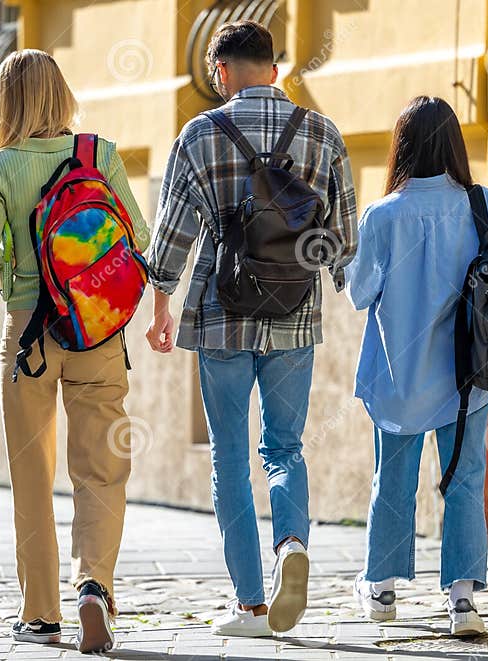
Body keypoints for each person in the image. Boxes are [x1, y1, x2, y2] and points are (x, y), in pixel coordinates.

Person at [145, 20, 357, 637]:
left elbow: (173, 234)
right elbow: (342, 240)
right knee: (285, 448)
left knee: (230, 458)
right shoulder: (322, 133)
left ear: (220, 72)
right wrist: (333, 279)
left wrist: (160, 305)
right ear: (275, 68)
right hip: (295, 314)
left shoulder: (199, 134)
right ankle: (291, 543)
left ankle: (251, 606)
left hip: (221, 312)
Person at [0, 49, 150, 652]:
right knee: (101, 468)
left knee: (32, 473)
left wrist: (7, 277)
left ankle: (40, 614)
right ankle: (94, 585)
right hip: (95, 325)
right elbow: (140, 238)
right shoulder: (98, 154)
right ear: (62, 93)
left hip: (28, 335)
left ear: (5, 102)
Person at [346, 96, 488, 637]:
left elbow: (360, 293)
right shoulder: (484, 205)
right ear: (455, 144)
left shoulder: (383, 215)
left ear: (402, 146)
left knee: (393, 479)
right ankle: (462, 600)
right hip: (469, 374)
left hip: (400, 375)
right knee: (465, 480)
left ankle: (381, 589)